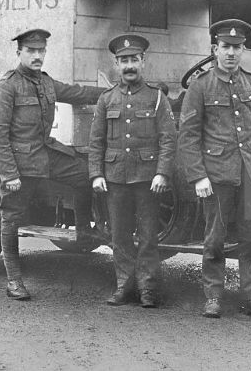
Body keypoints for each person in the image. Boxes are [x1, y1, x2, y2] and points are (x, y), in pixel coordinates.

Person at [0, 28, 105, 301]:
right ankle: (14, 280)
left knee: (86, 174)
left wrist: (115, 91)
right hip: (19, 162)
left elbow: (78, 92)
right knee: (12, 218)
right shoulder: (7, 87)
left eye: (41, 51)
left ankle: (84, 234)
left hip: (43, 153)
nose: (37, 56)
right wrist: (8, 174)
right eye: (31, 51)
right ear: (19, 53)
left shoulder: (46, 83)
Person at [178, 19, 251, 319]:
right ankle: (213, 297)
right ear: (215, 49)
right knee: (215, 239)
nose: (231, 53)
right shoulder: (200, 86)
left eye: (236, 47)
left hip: (250, 172)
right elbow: (188, 136)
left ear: (243, 50)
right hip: (216, 173)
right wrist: (197, 175)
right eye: (225, 47)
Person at [88, 34, 177, 308]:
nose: (129, 65)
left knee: (149, 236)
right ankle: (123, 287)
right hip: (115, 179)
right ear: (116, 63)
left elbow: (168, 138)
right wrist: (97, 174)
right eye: (124, 60)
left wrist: (162, 172)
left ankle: (148, 290)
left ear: (143, 61)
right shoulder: (106, 99)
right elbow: (96, 141)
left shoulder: (157, 97)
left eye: (134, 60)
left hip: (148, 180)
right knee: (120, 236)